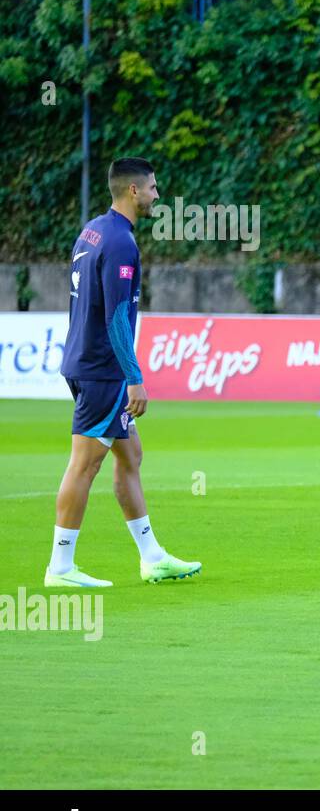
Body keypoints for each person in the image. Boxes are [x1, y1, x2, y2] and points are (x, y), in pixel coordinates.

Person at [47, 157, 201, 588]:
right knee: (84, 465)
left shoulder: (93, 229)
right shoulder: (121, 244)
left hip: (84, 359)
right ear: (133, 191)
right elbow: (116, 315)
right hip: (103, 371)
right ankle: (60, 568)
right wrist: (134, 376)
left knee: (129, 455)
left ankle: (152, 557)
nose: (157, 194)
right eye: (152, 188)